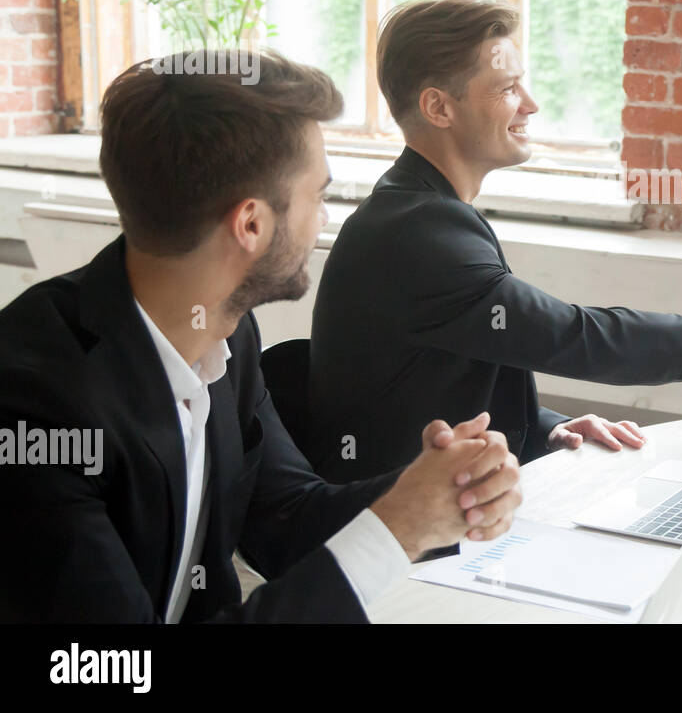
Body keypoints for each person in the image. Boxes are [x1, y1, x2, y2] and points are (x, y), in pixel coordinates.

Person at [0, 51, 522, 622]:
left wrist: (437, 493)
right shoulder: (34, 403)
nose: (323, 220)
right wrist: (400, 526)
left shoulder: (225, 331)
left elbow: (288, 517)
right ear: (251, 224)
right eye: (317, 196)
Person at [305, 0, 682, 481]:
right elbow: (573, 336)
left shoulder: (422, 207)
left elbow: (451, 370)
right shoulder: (417, 229)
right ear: (439, 108)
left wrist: (547, 428)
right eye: (507, 89)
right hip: (395, 530)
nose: (532, 104)